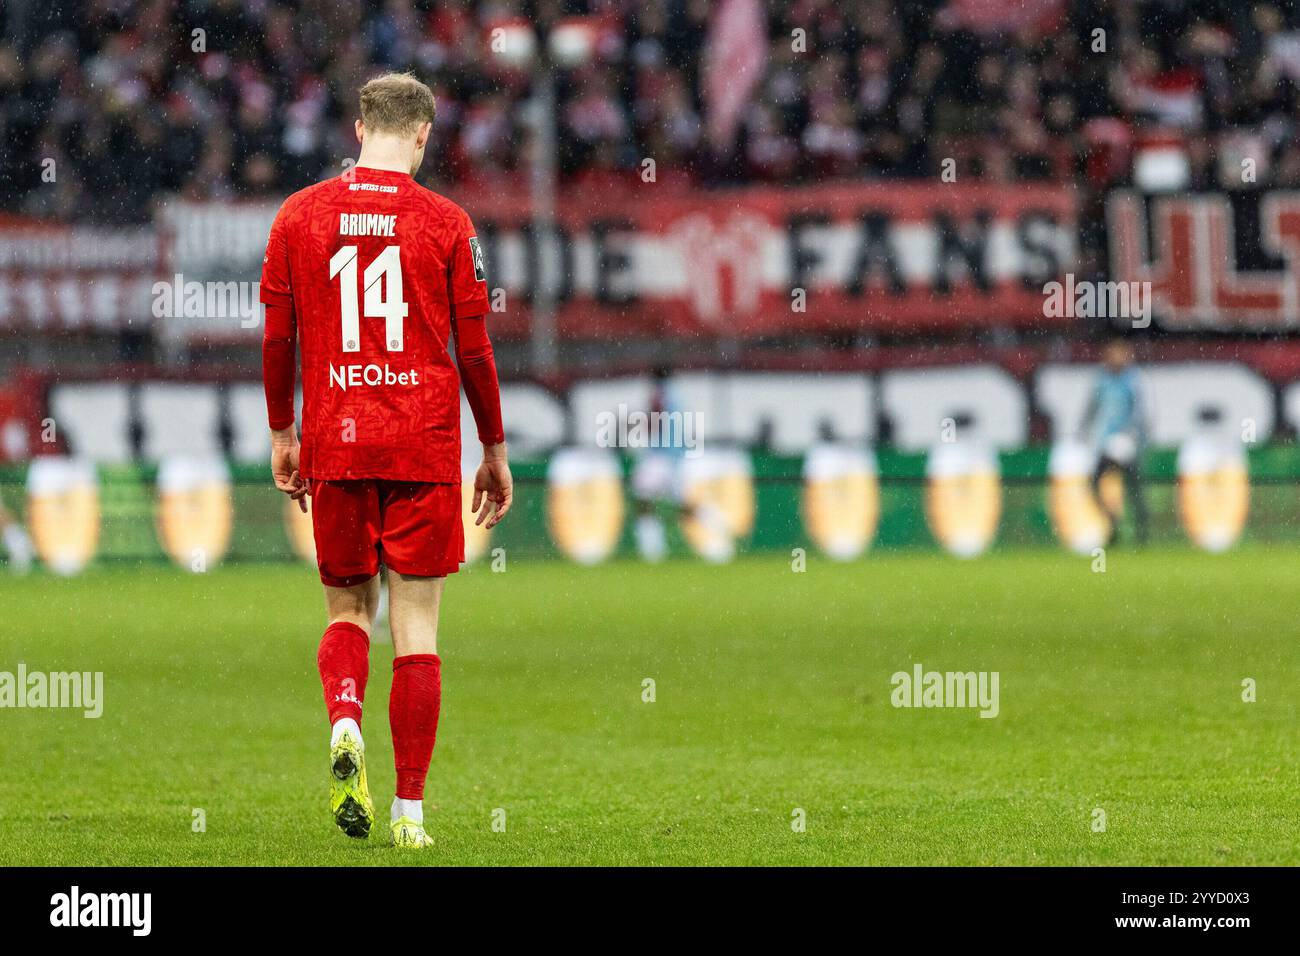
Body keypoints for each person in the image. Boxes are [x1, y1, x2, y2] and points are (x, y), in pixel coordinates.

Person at [260, 72, 512, 849]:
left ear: (360, 127)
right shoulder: (446, 222)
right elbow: (474, 349)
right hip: (422, 444)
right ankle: (409, 816)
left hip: (337, 439)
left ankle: (344, 720)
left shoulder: (299, 215)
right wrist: (494, 447)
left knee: (346, 612)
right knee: (418, 627)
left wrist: (282, 433)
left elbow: (277, 340)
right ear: (426, 137)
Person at [1079, 338, 1149, 546]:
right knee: (1094, 484)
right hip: (1106, 443)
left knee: (1134, 489)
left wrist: (1136, 437)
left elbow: (1143, 412)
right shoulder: (1101, 380)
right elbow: (1091, 410)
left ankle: (1141, 533)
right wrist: (1084, 434)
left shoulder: (1135, 380)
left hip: (1128, 442)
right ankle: (1112, 523)